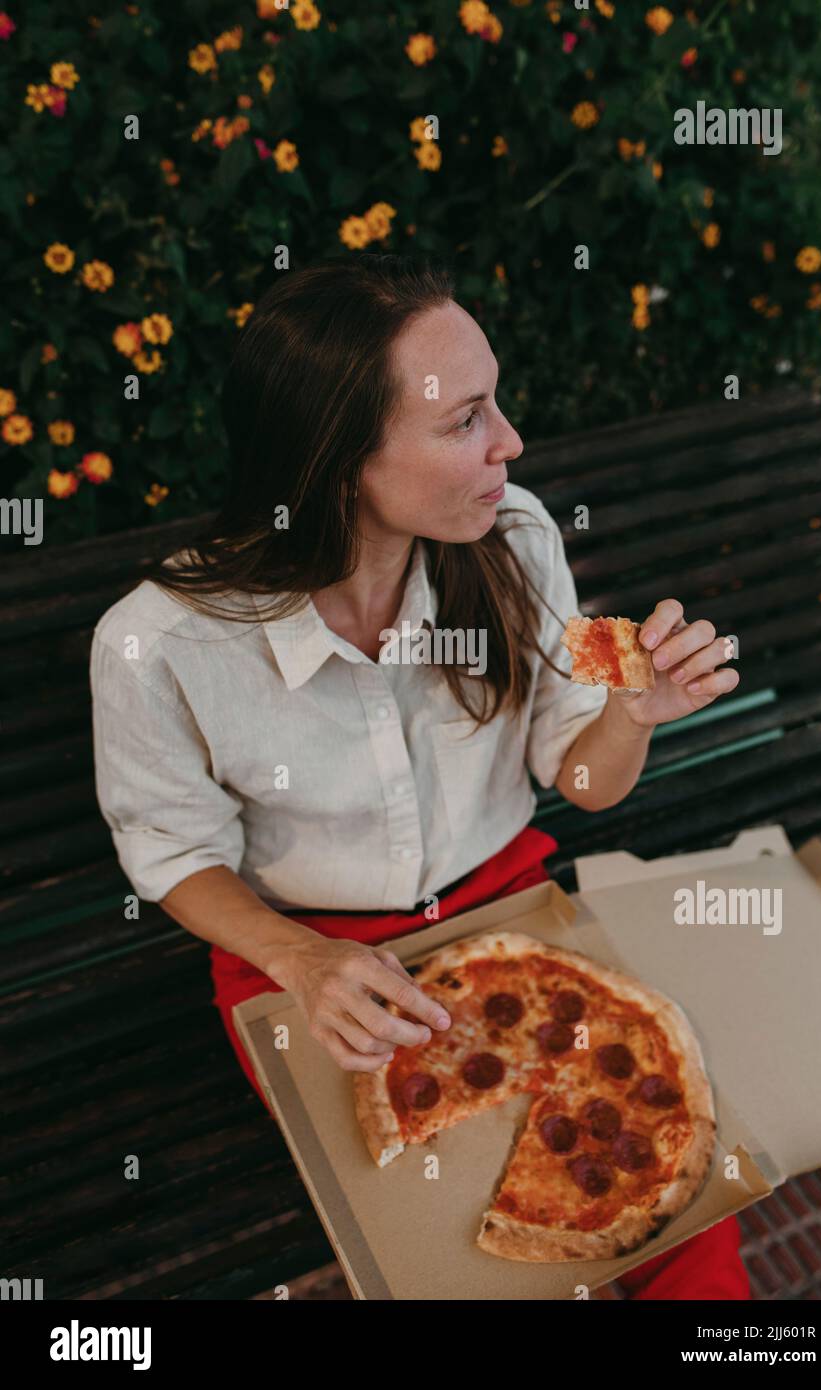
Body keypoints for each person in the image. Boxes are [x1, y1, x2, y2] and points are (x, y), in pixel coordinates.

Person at [90, 252, 749, 1300]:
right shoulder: (158, 643)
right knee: (454, 1256)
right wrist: (300, 962)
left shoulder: (512, 534)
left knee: (682, 1189)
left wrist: (629, 715)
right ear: (337, 460)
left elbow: (578, 781)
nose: (509, 445)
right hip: (311, 953)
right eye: (464, 421)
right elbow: (169, 854)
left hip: (512, 909)